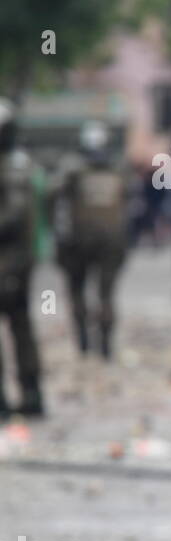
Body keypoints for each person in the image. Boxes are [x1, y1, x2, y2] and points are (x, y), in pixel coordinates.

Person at [54, 120, 129, 359]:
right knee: (106, 293)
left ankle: (85, 342)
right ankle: (104, 345)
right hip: (111, 239)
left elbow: (53, 196)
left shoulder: (72, 170)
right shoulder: (119, 169)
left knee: (77, 289)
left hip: (81, 239)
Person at [0, 98, 44, 417]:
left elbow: (13, 215)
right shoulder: (20, 164)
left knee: (20, 327)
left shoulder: (13, 167)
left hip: (10, 263)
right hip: (17, 262)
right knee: (22, 327)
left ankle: (29, 394)